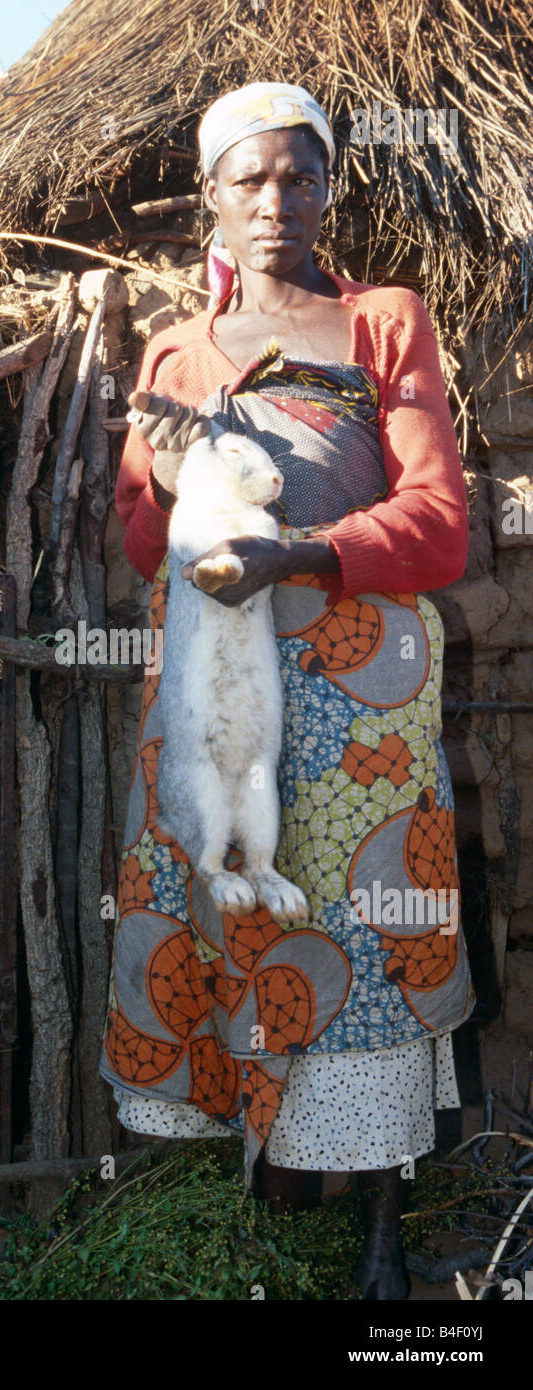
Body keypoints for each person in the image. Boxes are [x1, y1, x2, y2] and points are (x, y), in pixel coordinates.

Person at [99, 83, 475, 1300]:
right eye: (249, 180)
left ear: (329, 189)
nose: (277, 202)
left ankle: (382, 1241)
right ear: (210, 194)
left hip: (361, 687)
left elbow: (439, 525)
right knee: (226, 908)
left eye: (299, 177)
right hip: (218, 685)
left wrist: (300, 556)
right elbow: (142, 546)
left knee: (367, 925)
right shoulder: (175, 350)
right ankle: (248, 1181)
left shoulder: (383, 322)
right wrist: (161, 477)